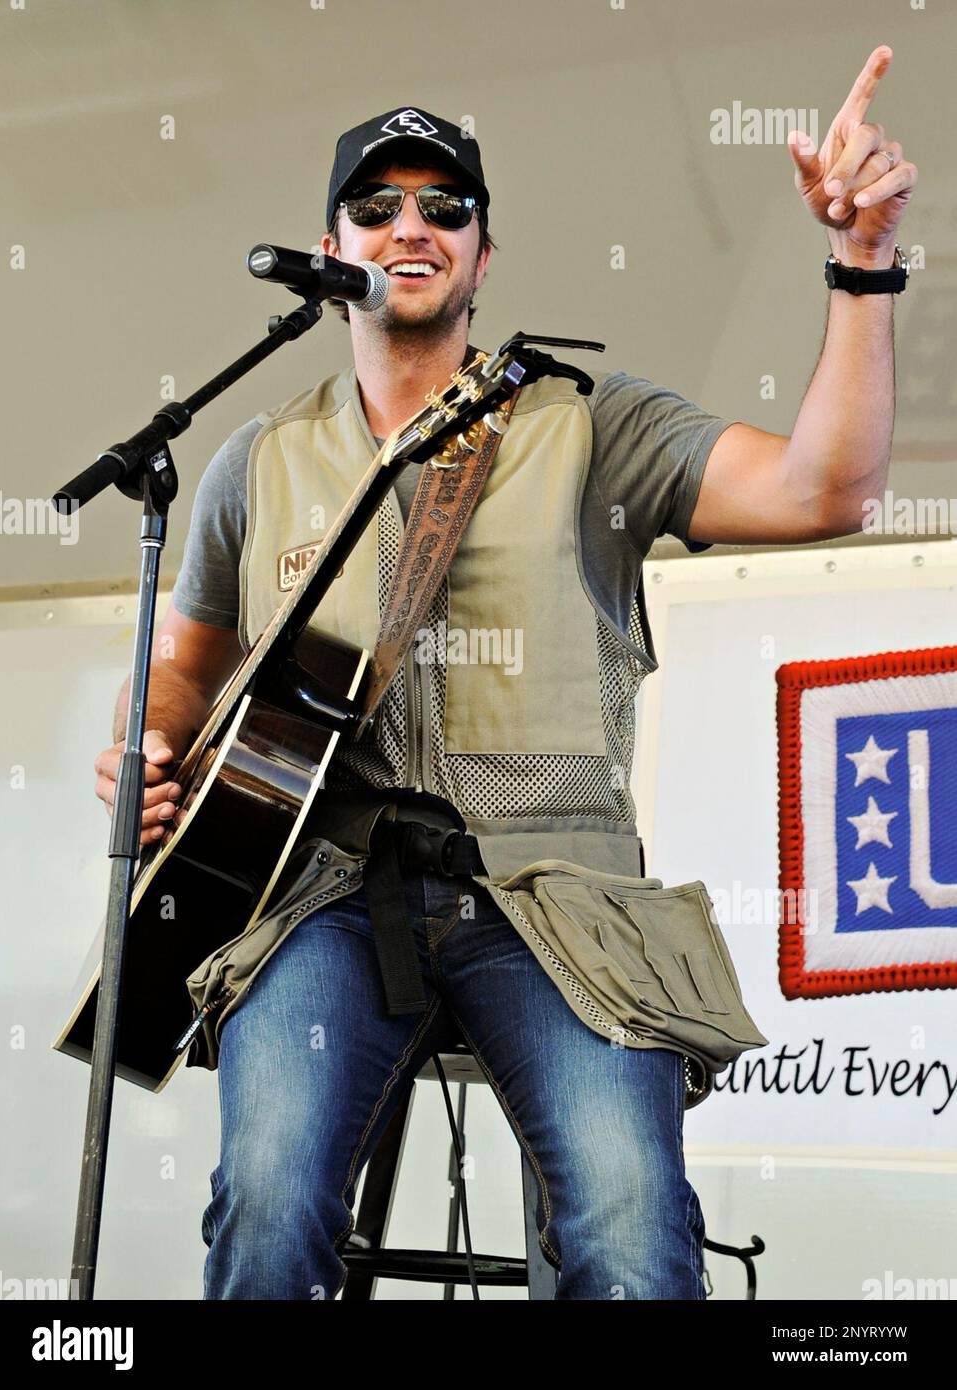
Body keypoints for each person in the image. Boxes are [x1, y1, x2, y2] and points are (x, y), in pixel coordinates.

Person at [93, 56, 914, 1300]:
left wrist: (860, 270)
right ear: (331, 247)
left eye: (443, 206)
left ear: (484, 253)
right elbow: (178, 674)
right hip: (320, 894)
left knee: (633, 1229)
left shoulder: (594, 426)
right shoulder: (252, 464)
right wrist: (146, 758)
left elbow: (827, 489)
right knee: (264, 1201)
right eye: (376, 207)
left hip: (559, 901)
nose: (408, 227)